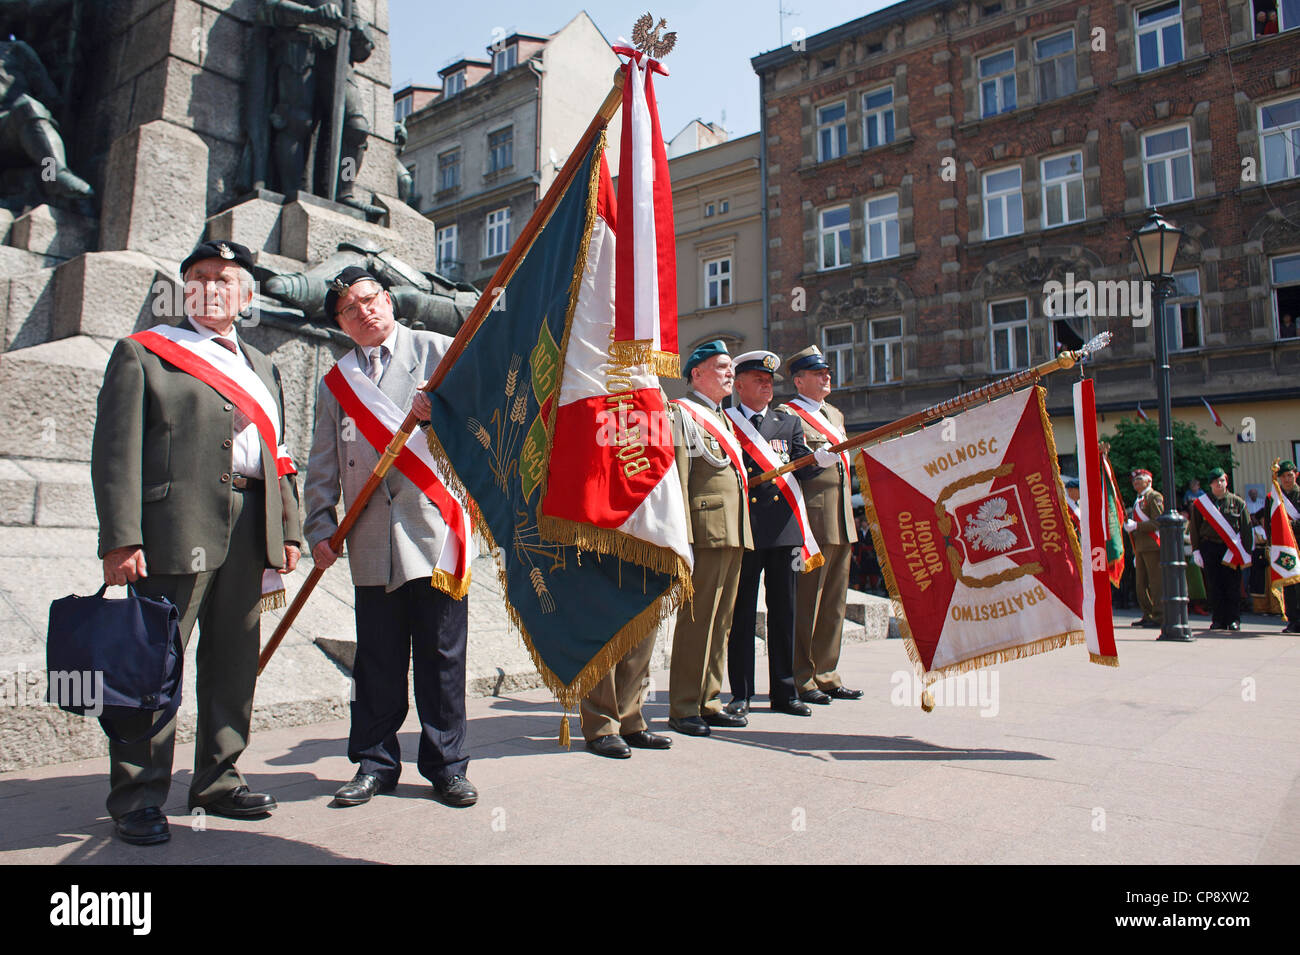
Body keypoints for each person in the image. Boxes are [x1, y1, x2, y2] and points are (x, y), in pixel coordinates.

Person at [91, 240, 302, 846]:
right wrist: (120, 538)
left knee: (233, 664)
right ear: (186, 291)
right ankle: (137, 794)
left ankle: (218, 778)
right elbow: (115, 454)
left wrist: (286, 529)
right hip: (170, 530)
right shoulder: (145, 353)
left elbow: (278, 455)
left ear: (245, 295)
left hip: (250, 522)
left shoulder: (264, 368)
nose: (213, 287)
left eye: (226, 278)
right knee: (153, 665)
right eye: (200, 277)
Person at [304, 266, 477, 807]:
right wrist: (320, 527)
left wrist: (438, 417)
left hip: (435, 527)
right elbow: (323, 461)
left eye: (371, 299)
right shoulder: (337, 381)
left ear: (389, 300)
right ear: (341, 323)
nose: (365, 312)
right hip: (370, 533)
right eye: (350, 310)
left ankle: (446, 764)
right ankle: (375, 763)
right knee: (377, 657)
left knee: (441, 654)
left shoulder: (439, 351)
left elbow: (484, 425)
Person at [723, 350, 834, 718]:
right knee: (741, 613)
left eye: (770, 381)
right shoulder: (727, 423)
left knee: (784, 611)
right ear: (739, 385)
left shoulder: (787, 423)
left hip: (785, 530)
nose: (767, 385)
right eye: (759, 379)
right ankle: (740, 693)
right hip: (747, 529)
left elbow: (802, 470)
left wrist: (819, 462)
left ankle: (785, 692)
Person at [666, 341, 752, 737]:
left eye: (730, 367)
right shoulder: (682, 414)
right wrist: (682, 536)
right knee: (698, 620)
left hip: (733, 528)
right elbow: (680, 479)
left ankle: (710, 698)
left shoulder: (724, 419)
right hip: (704, 531)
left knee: (722, 620)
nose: (729, 373)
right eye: (721, 367)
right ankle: (684, 705)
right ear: (696, 374)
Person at [780, 345, 864, 703]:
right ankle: (803, 677)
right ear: (799, 381)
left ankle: (827, 672)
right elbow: (791, 465)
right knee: (808, 601)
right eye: (817, 374)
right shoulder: (788, 415)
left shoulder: (835, 414)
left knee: (834, 602)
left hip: (841, 519)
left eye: (826, 372)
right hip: (811, 520)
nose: (825, 377)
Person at [1189, 467, 1252, 632]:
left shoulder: (1237, 502)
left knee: (1232, 584)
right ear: (1210, 484)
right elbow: (1195, 528)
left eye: (1222, 480)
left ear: (1226, 481)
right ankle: (1218, 619)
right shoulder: (1201, 504)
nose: (1219, 484)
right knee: (1214, 584)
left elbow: (1246, 528)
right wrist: (1196, 550)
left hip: (1231, 548)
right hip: (1210, 546)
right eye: (1216, 481)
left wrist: (1246, 551)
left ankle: (1233, 619)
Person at [1124, 468, 1163, 628]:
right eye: (1134, 480)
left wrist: (1137, 526)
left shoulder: (1154, 497)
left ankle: (1159, 615)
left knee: (1155, 582)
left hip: (1153, 546)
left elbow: (1159, 522)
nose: (1136, 482)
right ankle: (1148, 613)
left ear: (1148, 480)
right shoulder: (1138, 499)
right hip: (1140, 547)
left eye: (1139, 479)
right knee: (1141, 584)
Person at [1271, 460, 1300, 632]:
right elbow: (1270, 522)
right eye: (1283, 476)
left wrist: (1290, 527)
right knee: (1289, 583)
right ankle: (1293, 620)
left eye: (1289, 475)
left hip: (1298, 542)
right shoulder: (1276, 497)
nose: (1287, 479)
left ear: (1295, 475)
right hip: (1284, 547)